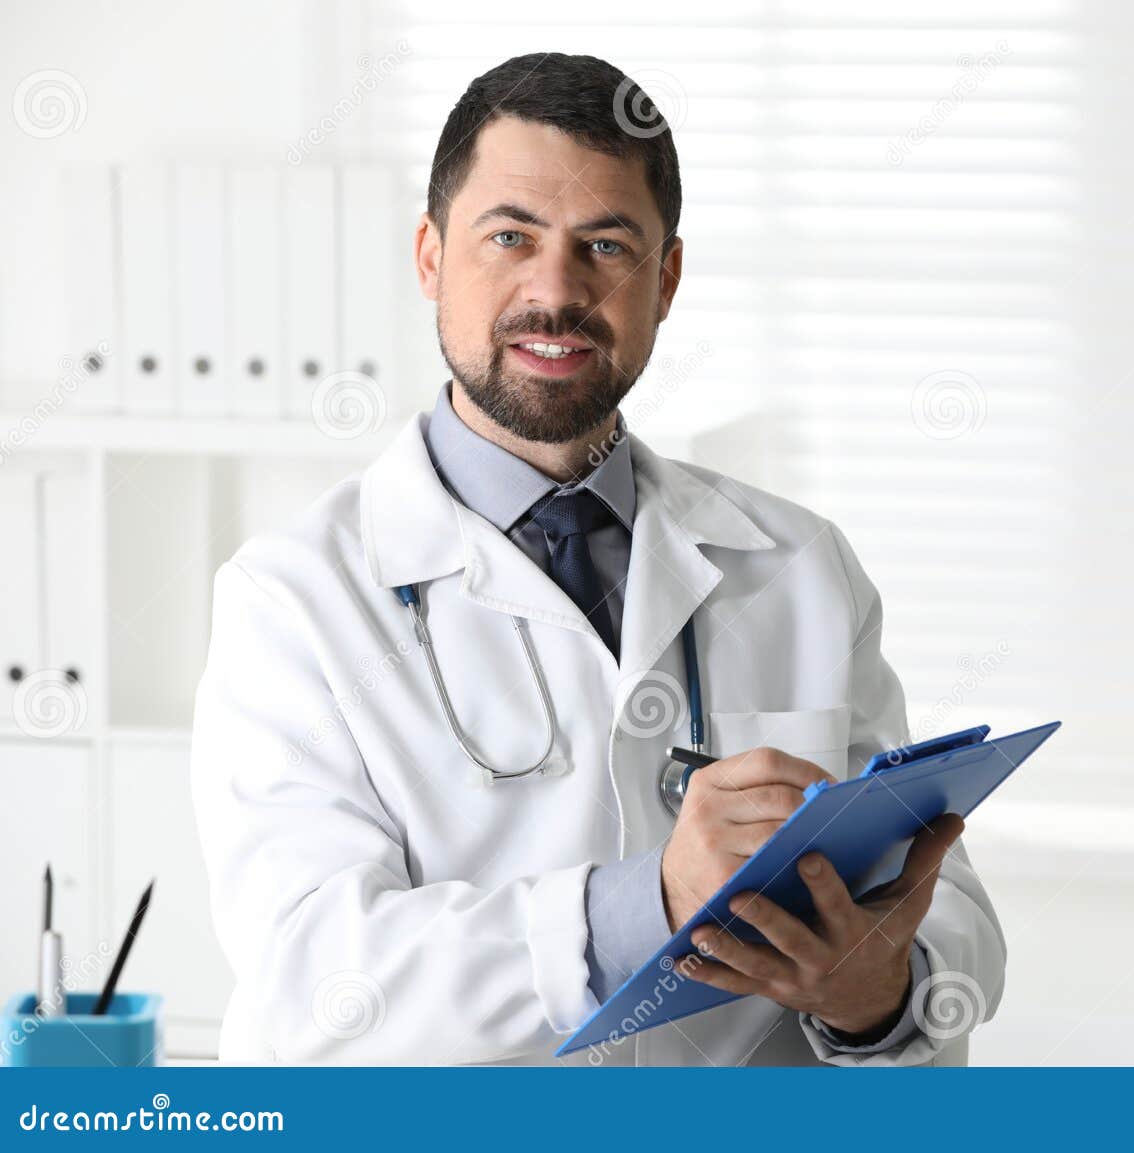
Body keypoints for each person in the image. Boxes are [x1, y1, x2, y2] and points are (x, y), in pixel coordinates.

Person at [190, 52, 1005, 1066]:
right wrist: (645, 902)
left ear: (663, 280)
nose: (554, 289)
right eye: (509, 237)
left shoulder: (798, 565)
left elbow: (944, 924)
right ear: (431, 257)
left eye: (606, 245)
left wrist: (875, 993)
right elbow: (311, 981)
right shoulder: (294, 597)